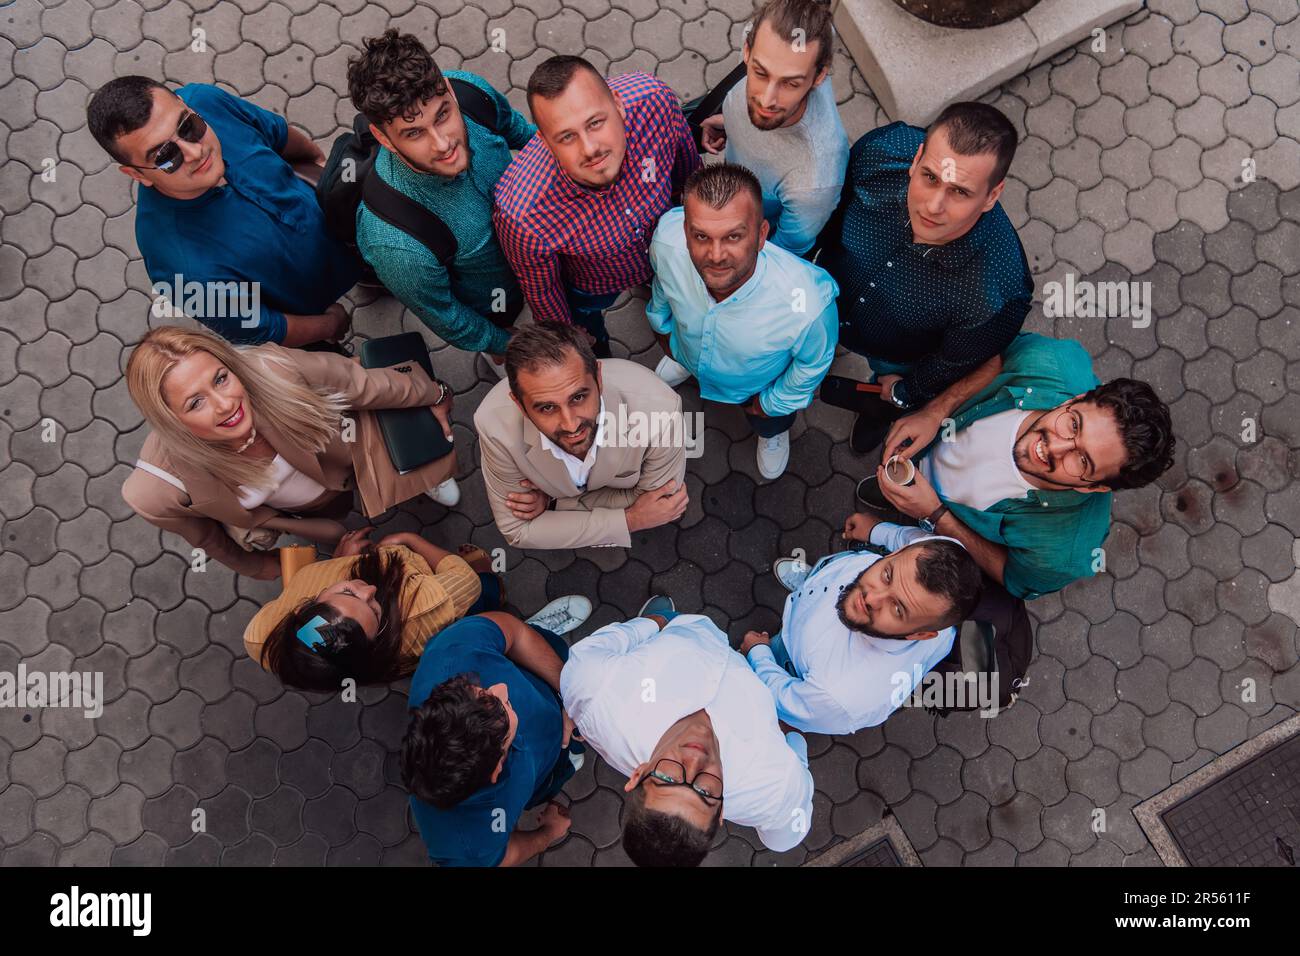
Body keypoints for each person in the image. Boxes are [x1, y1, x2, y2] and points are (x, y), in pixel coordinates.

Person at [121, 326, 461, 579]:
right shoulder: (156, 491)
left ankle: (417, 476)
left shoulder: (272, 367)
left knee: (408, 460)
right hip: (303, 515)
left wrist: (434, 393)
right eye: (196, 402)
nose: (226, 405)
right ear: (171, 422)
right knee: (336, 520)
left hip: (348, 453)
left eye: (221, 379)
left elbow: (361, 385)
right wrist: (268, 569)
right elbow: (210, 540)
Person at [858, 332, 1176, 599]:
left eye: (1081, 460)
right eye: (1074, 425)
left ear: (1094, 486)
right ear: (1073, 400)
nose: (1054, 446)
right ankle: (879, 415)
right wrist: (935, 410)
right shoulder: (1050, 360)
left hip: (932, 516)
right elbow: (991, 353)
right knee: (886, 397)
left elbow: (1012, 577)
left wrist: (936, 515)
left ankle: (894, 503)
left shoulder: (1064, 554)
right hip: (925, 422)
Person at [818, 102, 1033, 453]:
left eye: (960, 192)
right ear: (916, 158)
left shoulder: (998, 291)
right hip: (825, 295)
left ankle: (877, 411)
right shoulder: (882, 153)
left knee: (887, 389)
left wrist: (906, 393)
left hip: (893, 351)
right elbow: (831, 214)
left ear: (992, 195)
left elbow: (951, 362)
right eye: (929, 177)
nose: (933, 206)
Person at [87, 76, 359, 347]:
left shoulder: (205, 100)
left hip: (354, 228)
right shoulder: (176, 271)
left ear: (186, 105)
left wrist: (323, 166)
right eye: (165, 157)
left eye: (188, 126)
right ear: (136, 174)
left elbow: (279, 135)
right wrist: (329, 324)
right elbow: (265, 329)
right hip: (311, 304)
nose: (195, 152)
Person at [560, 601, 815, 865]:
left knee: (656, 621)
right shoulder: (776, 789)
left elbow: (597, 655)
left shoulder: (596, 687)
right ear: (721, 812)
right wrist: (791, 741)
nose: (694, 762)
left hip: (682, 628)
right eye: (704, 792)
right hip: (749, 674)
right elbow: (784, 839)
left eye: (667, 779)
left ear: (638, 774)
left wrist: (658, 622)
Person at [347, 30, 536, 374]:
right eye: (414, 133)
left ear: (449, 89)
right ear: (382, 138)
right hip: (497, 303)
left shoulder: (469, 90)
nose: (442, 143)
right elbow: (448, 317)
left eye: (442, 115)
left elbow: (522, 132)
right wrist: (509, 345)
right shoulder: (396, 244)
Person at [494, 56, 701, 357]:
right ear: (545, 142)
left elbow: (689, 173)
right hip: (596, 282)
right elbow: (543, 290)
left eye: (595, 123)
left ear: (617, 104)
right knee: (587, 336)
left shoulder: (654, 102)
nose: (590, 148)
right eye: (567, 137)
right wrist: (569, 338)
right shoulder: (523, 214)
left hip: (666, 244)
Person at [646, 163, 837, 479]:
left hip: (755, 390)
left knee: (769, 420)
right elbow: (663, 287)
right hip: (686, 349)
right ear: (685, 232)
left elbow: (811, 366)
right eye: (701, 236)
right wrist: (664, 331)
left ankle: (770, 431)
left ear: (762, 234)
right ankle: (686, 364)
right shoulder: (668, 240)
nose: (716, 255)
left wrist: (770, 404)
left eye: (733, 236)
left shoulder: (807, 303)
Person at [245, 528, 593, 690]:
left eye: (348, 590)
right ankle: (518, 623)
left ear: (304, 609)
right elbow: (463, 580)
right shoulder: (430, 603)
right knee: (484, 595)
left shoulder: (261, 637)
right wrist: (409, 540)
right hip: (459, 604)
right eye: (376, 611)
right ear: (376, 641)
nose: (368, 589)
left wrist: (341, 561)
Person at [745, 514, 982, 734]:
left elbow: (786, 700)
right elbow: (913, 539)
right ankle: (811, 585)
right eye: (887, 575)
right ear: (894, 554)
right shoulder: (943, 556)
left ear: (921, 634)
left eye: (897, 608)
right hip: (824, 588)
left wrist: (759, 654)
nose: (871, 598)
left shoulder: (837, 696)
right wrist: (877, 531)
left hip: (789, 659)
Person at [474, 321, 688, 550]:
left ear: (598, 378)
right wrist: (630, 519)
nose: (570, 424)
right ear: (518, 404)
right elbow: (518, 531)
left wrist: (553, 504)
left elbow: (660, 500)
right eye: (546, 408)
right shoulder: (494, 426)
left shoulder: (661, 412)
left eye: (578, 398)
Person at [401, 609, 590, 867]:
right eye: (504, 705)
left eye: (482, 692)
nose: (502, 687)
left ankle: (539, 630)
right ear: (496, 769)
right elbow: (503, 856)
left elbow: (515, 632)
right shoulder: (464, 847)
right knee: (565, 763)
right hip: (545, 773)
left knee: (535, 642)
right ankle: (565, 757)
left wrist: (568, 693)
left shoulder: (451, 652)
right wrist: (548, 834)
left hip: (548, 684)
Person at [697, 0, 848, 256]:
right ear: (747, 49)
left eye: (791, 84)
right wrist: (732, 121)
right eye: (760, 73)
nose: (767, 101)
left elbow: (779, 254)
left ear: (820, 76)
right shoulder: (780, 36)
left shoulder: (813, 183)